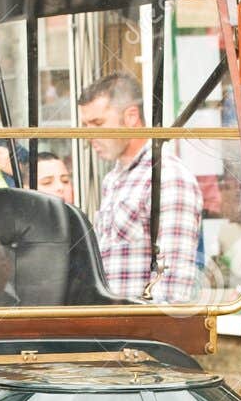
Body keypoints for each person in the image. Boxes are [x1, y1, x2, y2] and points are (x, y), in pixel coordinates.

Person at [77, 72, 202, 303]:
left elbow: (174, 281)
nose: (89, 135)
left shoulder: (167, 176)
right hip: (111, 327)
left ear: (131, 117)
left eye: (98, 123)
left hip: (140, 331)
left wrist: (145, 331)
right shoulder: (113, 179)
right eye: (85, 125)